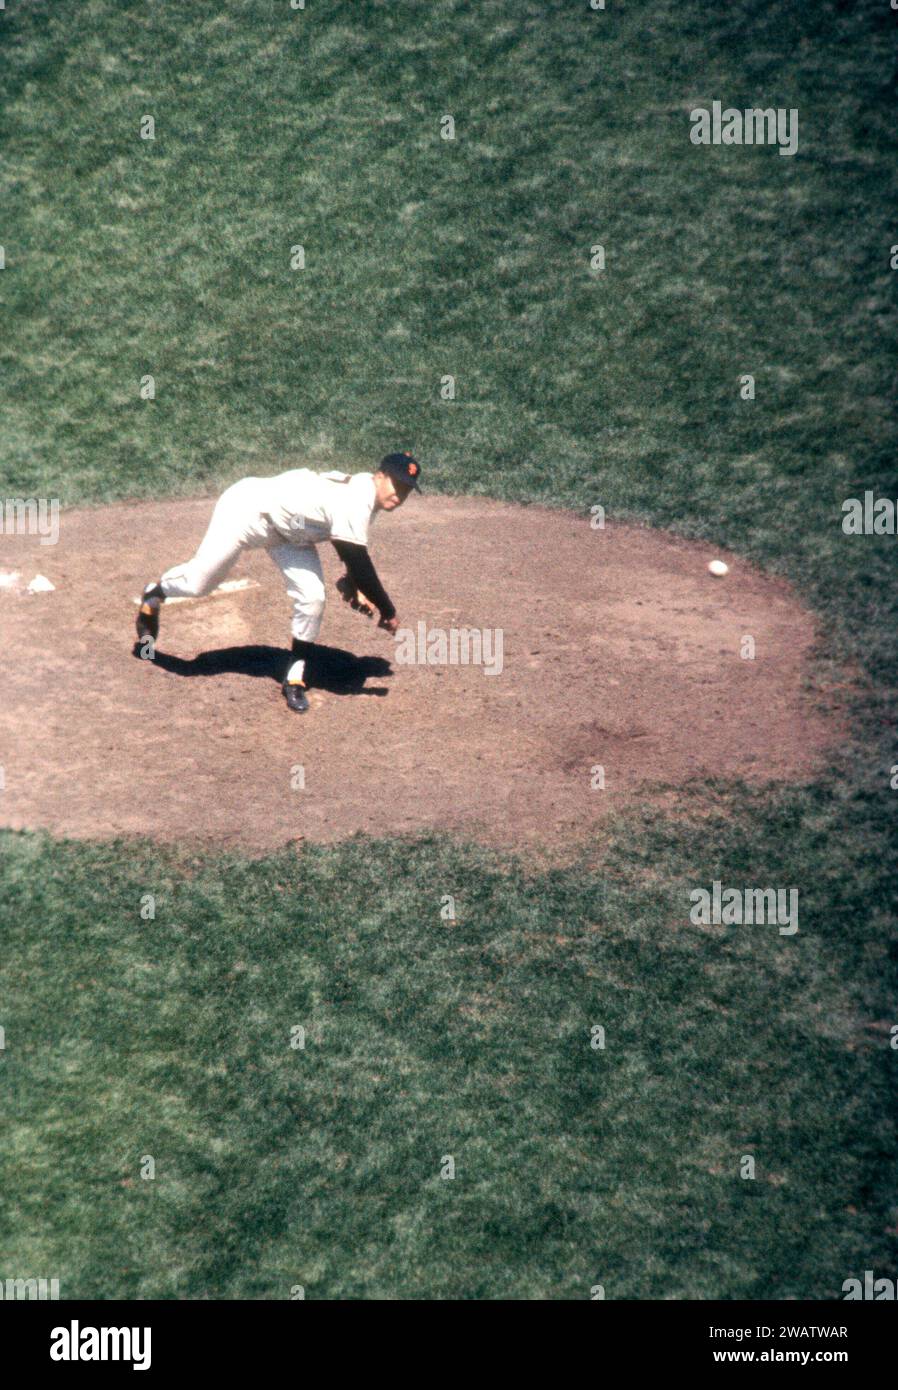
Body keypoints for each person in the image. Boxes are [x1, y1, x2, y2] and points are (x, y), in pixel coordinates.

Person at [135, 451, 421, 713]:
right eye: (397, 485)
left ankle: (294, 677)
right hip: (249, 512)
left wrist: (352, 581)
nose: (400, 495)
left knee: (313, 597)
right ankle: (156, 592)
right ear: (380, 476)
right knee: (199, 583)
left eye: (407, 489)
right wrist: (388, 610)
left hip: (292, 537)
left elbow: (341, 537)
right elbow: (358, 559)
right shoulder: (358, 499)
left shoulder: (365, 497)